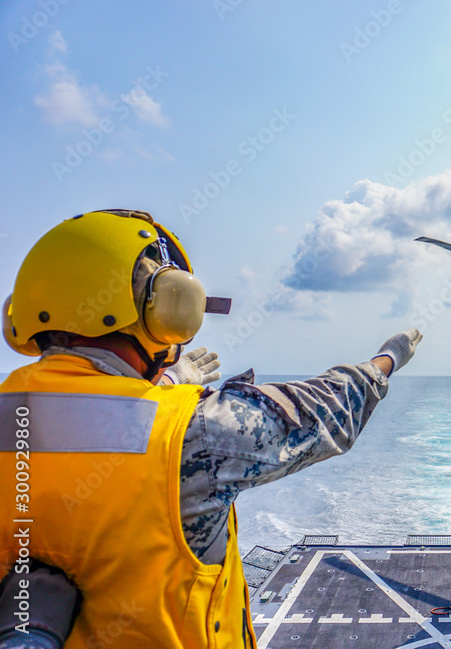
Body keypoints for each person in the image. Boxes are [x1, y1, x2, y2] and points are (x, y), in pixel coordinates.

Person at [0, 209, 421, 648]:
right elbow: (326, 410)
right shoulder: (194, 432)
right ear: (164, 307)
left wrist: (164, 384)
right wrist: (384, 362)